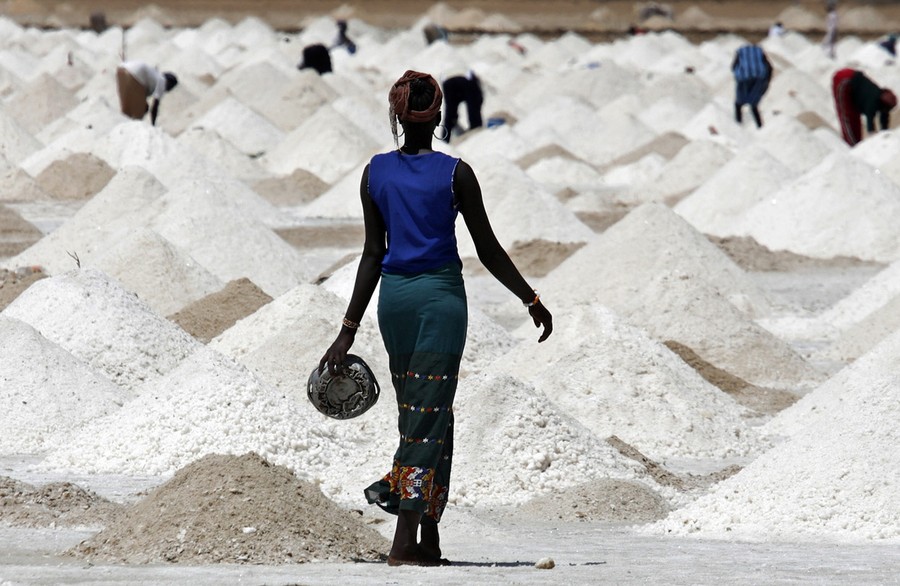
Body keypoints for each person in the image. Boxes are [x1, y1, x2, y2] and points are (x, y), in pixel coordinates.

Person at [318, 70, 552, 567]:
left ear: (396, 116)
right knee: (424, 420)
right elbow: (486, 248)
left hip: (393, 304)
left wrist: (347, 330)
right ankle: (402, 540)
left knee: (427, 414)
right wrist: (529, 298)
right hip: (441, 303)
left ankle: (429, 540)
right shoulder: (456, 173)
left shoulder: (374, 172)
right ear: (439, 115)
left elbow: (370, 255)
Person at [832, 68, 897, 146]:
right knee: (847, 116)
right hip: (844, 79)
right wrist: (874, 137)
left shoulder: (881, 98)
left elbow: (884, 119)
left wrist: (885, 134)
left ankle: (855, 144)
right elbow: (870, 122)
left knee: (854, 117)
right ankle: (852, 146)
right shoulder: (873, 101)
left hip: (853, 85)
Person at [115, 61, 177, 126]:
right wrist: (153, 125)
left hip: (121, 70)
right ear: (169, 83)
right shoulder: (162, 80)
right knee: (139, 112)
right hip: (134, 74)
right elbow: (155, 107)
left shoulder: (154, 75)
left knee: (127, 111)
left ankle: (122, 126)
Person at [732, 44, 773, 129]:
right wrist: (767, 81)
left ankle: (738, 125)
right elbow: (770, 67)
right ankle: (760, 126)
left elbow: (733, 66)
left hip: (744, 79)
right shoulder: (760, 53)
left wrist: (738, 76)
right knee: (753, 104)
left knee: (738, 104)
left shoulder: (740, 52)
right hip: (759, 79)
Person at [440, 71, 484, 142]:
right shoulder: (474, 82)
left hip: (447, 79)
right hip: (467, 79)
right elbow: (477, 101)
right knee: (474, 113)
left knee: (450, 114)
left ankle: (444, 140)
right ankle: (477, 134)